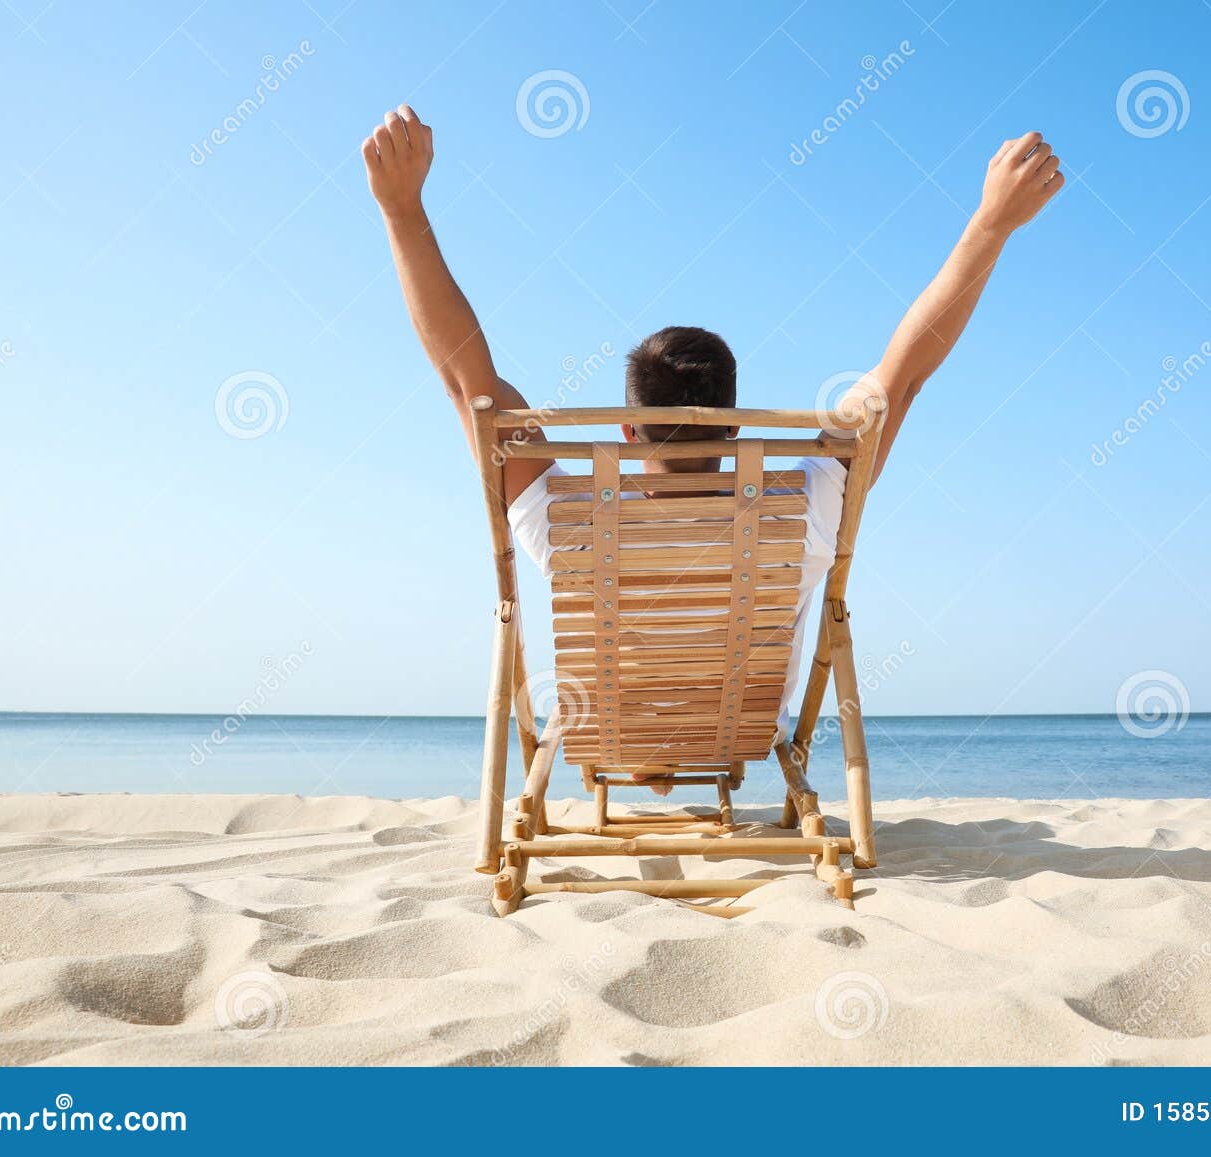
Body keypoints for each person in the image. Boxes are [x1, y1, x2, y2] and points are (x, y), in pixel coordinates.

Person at [363, 104, 1063, 775]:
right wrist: (992, 223)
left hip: (610, 728)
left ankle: (651, 758)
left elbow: (466, 384)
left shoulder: (569, 522)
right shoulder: (802, 510)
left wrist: (401, 211)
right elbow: (903, 377)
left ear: (628, 431)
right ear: (730, 430)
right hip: (745, 730)